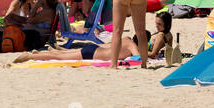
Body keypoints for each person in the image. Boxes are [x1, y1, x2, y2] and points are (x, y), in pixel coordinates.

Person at [11, 34, 141, 65]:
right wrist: (150, 54)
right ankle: (30, 57)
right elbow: (137, 59)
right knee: (60, 58)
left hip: (95, 49)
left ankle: (41, 53)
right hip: (94, 54)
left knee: (63, 55)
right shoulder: (132, 46)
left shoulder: (125, 39)